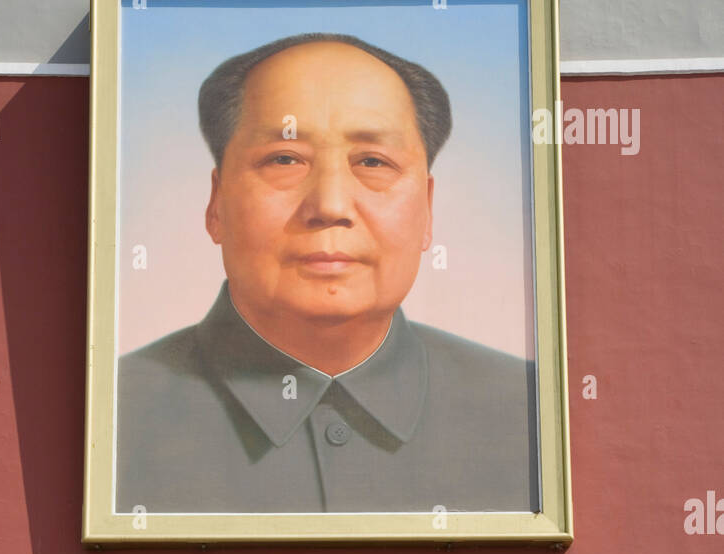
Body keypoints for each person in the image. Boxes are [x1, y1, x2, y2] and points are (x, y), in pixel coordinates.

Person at [116, 33, 536, 517]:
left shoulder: (530, 416)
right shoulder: (111, 416)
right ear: (216, 204)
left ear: (428, 208)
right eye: (284, 159)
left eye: (373, 162)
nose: (330, 206)